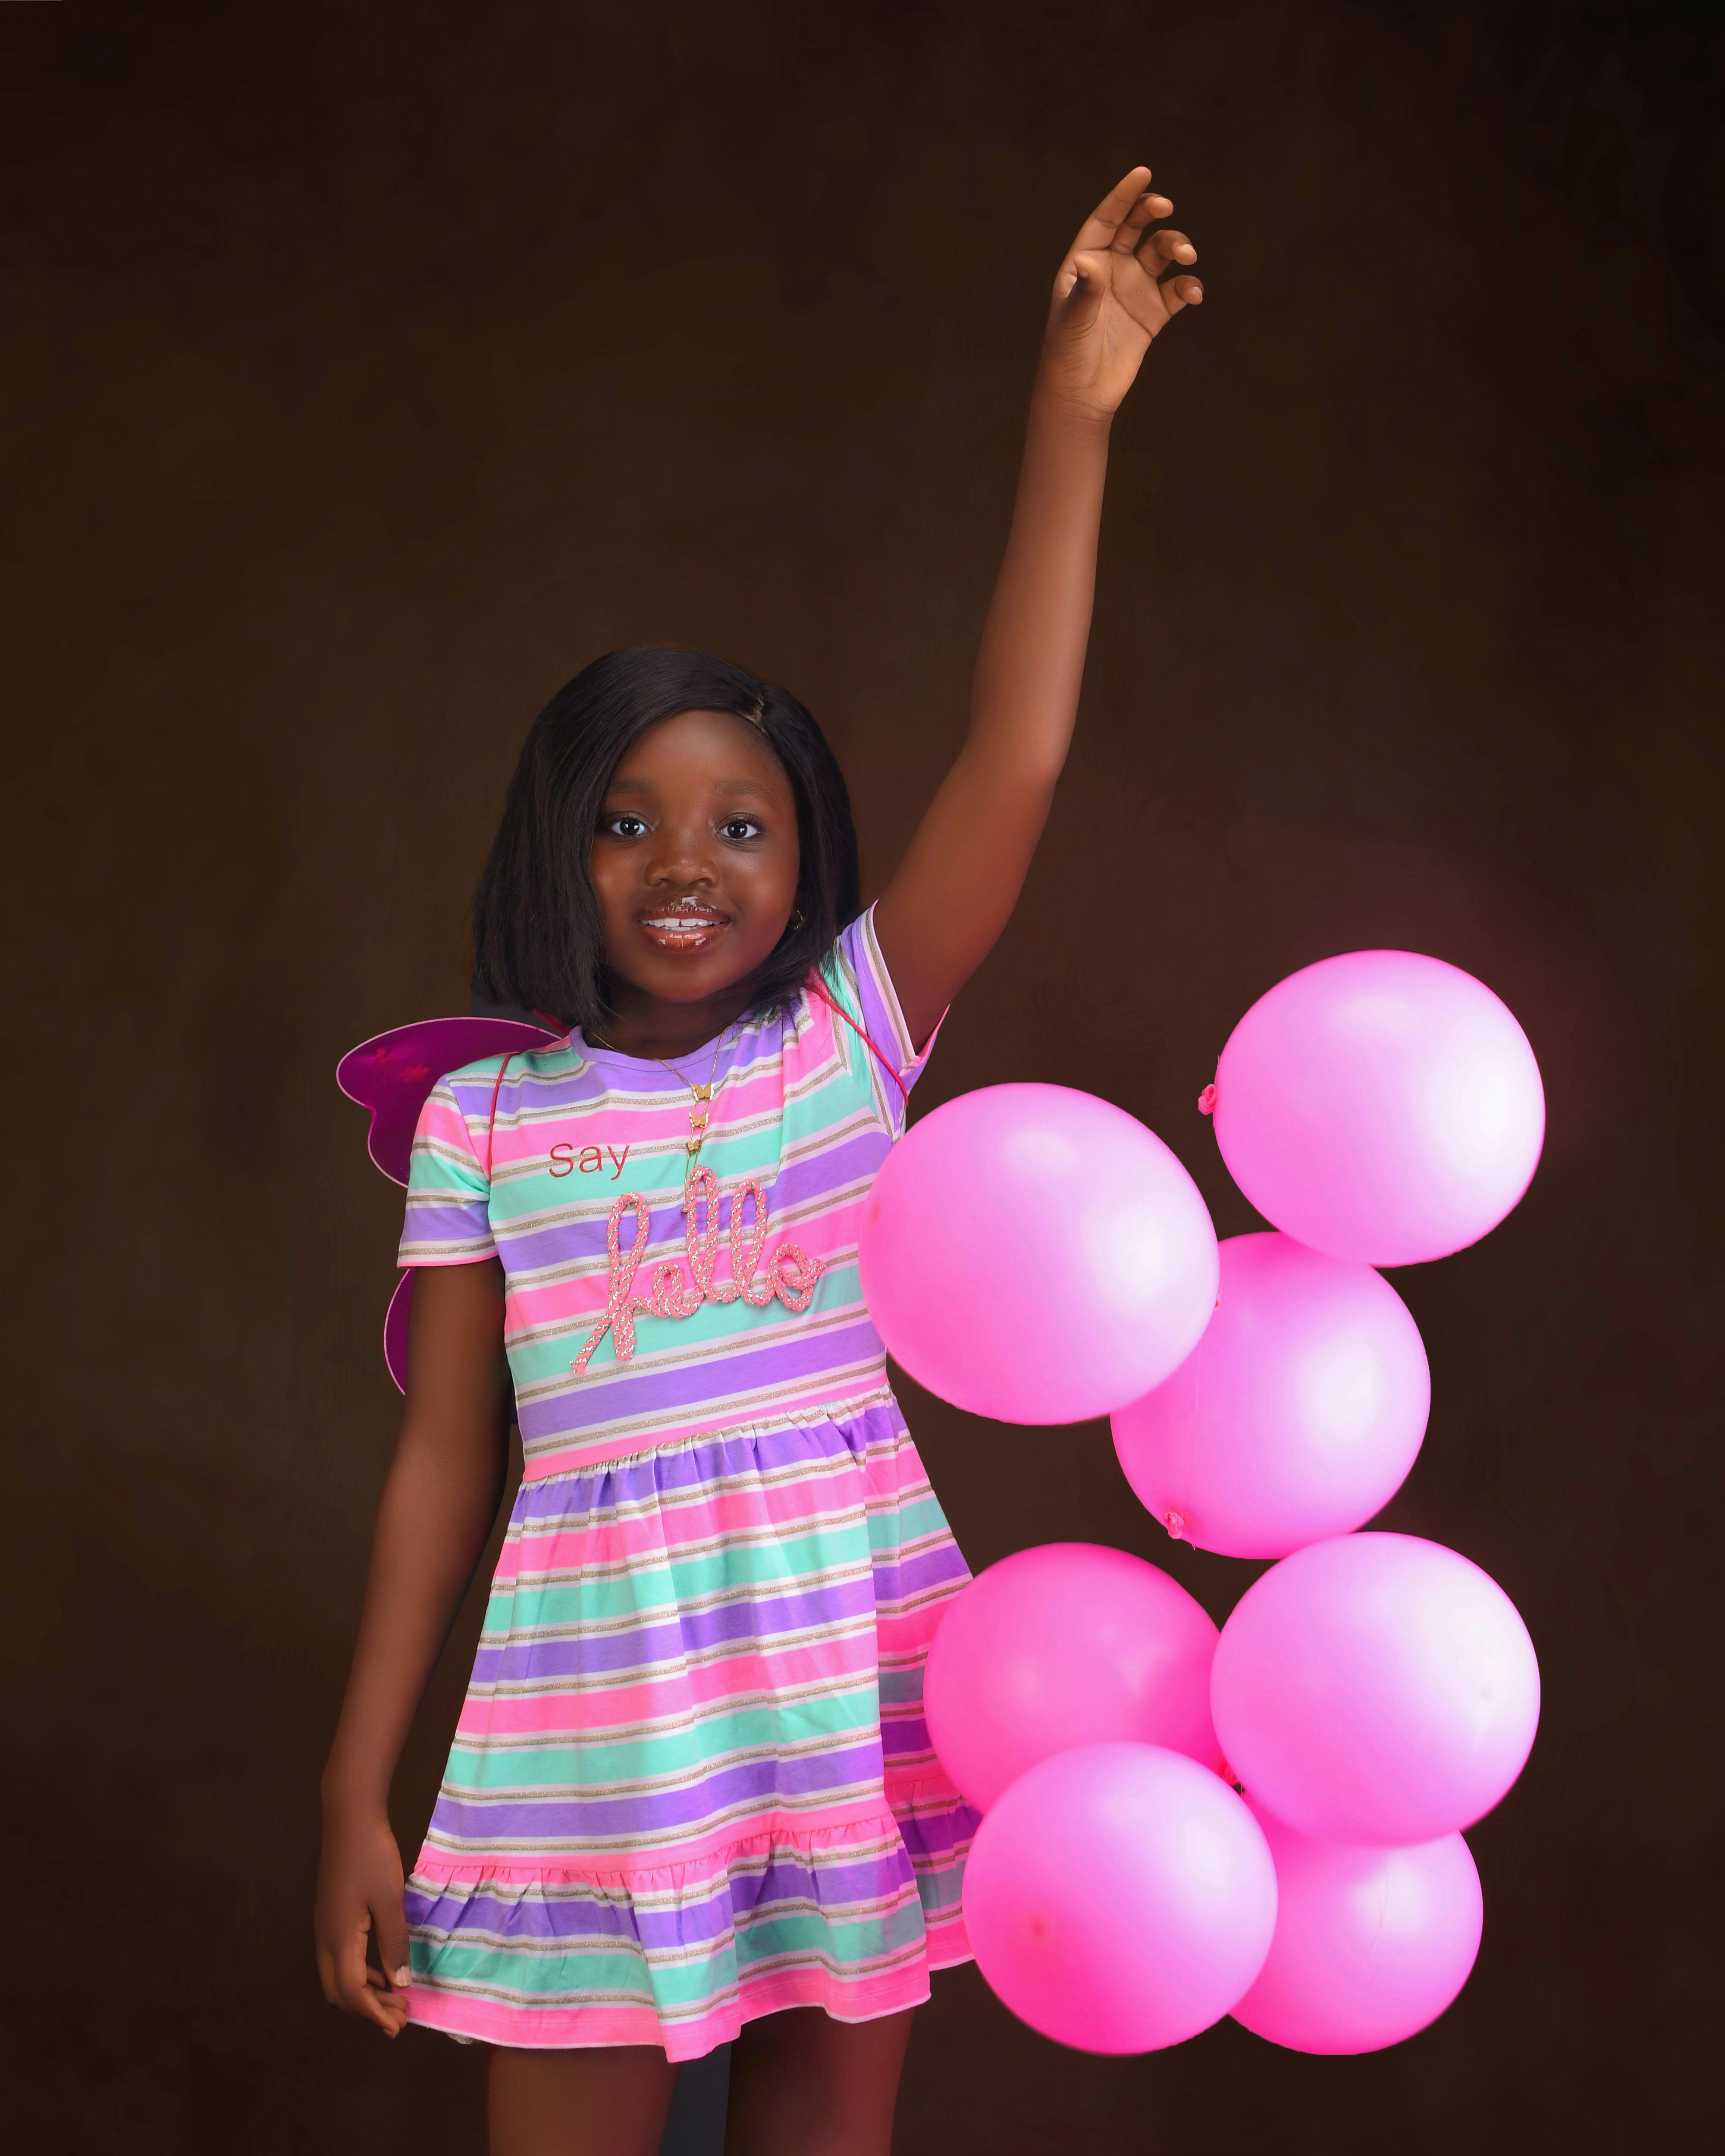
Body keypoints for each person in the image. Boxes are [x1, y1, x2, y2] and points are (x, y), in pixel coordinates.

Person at [315, 166, 1203, 2156]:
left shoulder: (846, 1044)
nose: (686, 867)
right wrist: (351, 1789)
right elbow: (447, 1459)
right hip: (590, 1702)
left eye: (739, 824)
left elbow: (1025, 753)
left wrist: (1072, 412)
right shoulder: (489, 1118)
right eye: (629, 823)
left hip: (843, 1670)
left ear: (807, 858)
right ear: (559, 841)